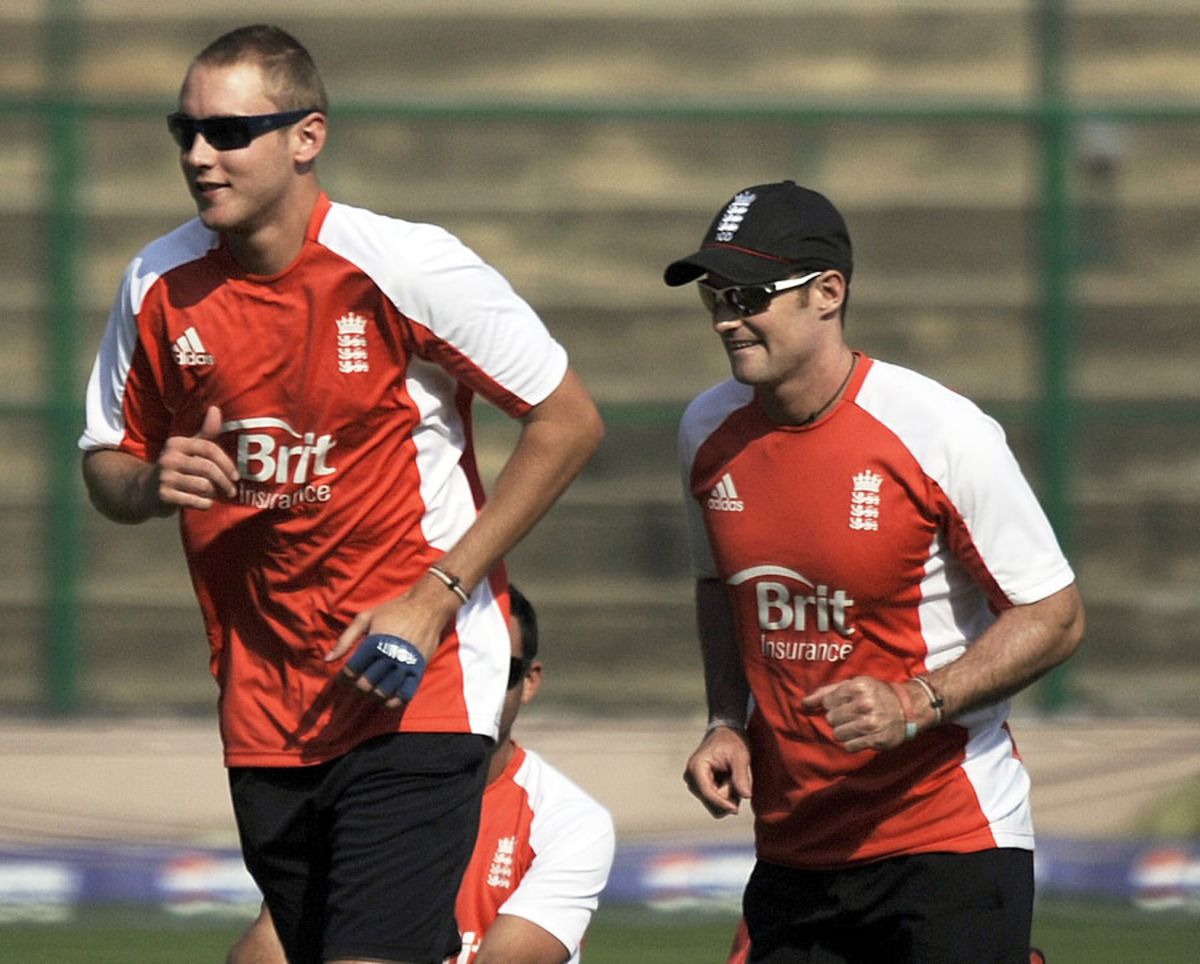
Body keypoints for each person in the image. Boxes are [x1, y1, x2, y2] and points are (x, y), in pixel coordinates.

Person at [77, 24, 603, 964]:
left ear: (307, 137)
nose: (200, 155)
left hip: (418, 686)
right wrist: (152, 483)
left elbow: (568, 421)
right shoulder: (156, 281)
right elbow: (104, 463)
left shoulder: (406, 265)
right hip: (265, 702)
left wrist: (437, 595)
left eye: (230, 132)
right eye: (184, 131)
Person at [667, 180, 1085, 964]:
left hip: (948, 840)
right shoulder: (705, 429)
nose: (727, 317)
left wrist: (918, 701)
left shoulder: (939, 431)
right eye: (716, 295)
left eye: (751, 294)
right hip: (795, 847)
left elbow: (1054, 614)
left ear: (829, 294)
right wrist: (727, 718)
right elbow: (718, 586)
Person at [227, 583, 615, 964]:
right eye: (449, 667)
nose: (471, 685)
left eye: (496, 669)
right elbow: (269, 946)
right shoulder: (359, 792)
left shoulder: (569, 820)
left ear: (529, 681)